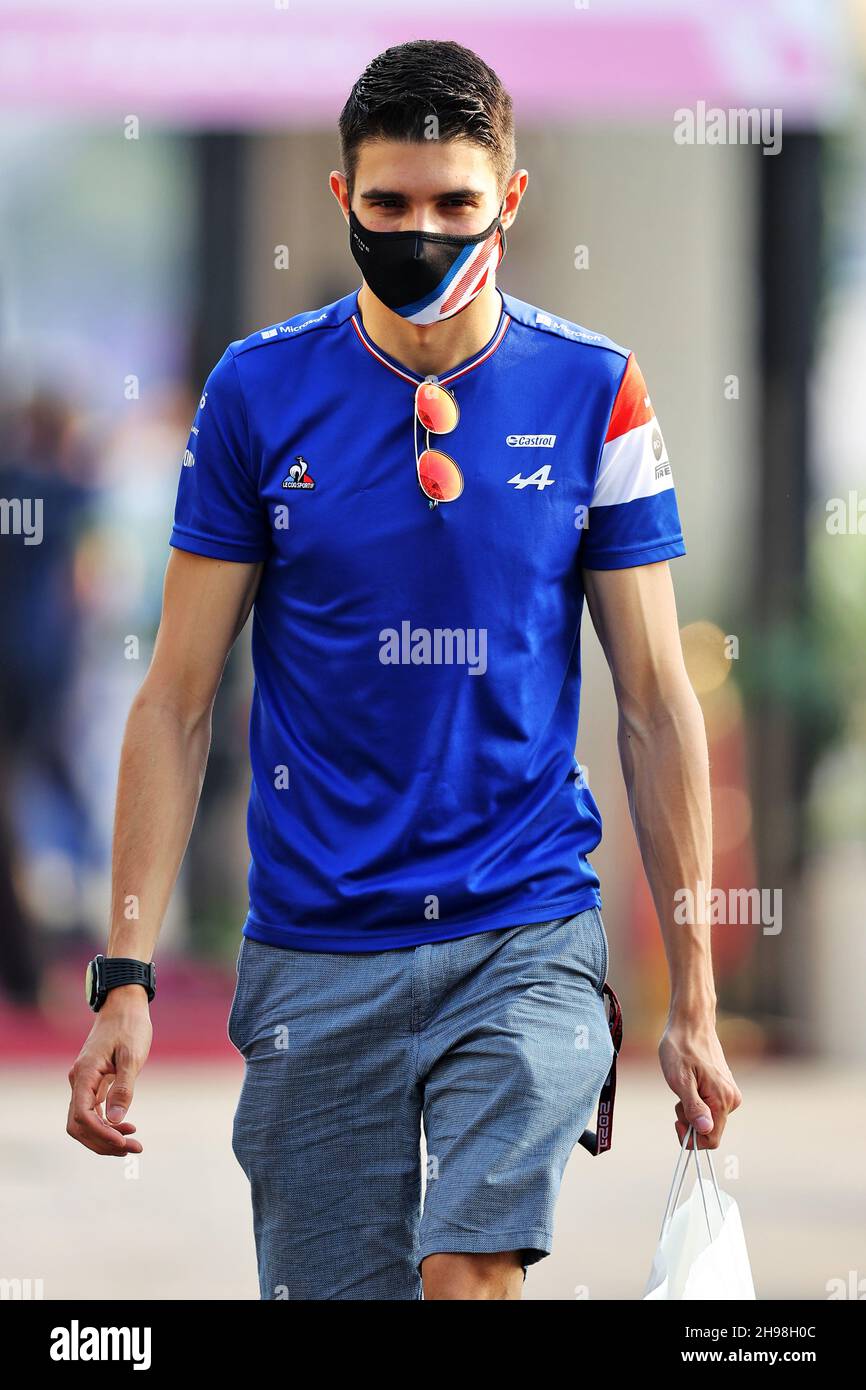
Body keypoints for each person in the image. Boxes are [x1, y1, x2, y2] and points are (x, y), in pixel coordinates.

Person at [66, 38, 741, 1301]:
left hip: (525, 924)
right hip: (316, 948)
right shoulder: (255, 395)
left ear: (512, 200)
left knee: (466, 1274)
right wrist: (124, 975)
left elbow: (653, 703)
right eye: (387, 205)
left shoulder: (598, 391)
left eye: (453, 205)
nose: (418, 232)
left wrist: (692, 995)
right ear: (340, 201)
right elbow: (174, 698)